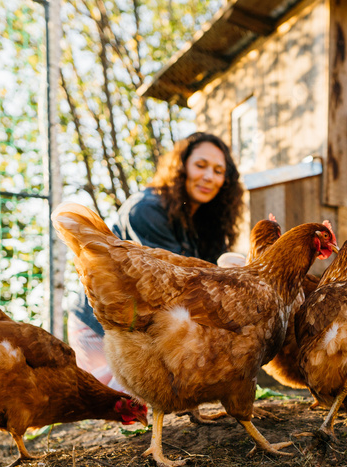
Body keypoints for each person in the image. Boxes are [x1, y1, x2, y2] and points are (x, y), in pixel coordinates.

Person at [67, 132, 245, 389]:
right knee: (118, 408)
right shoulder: (147, 210)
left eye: (218, 171)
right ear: (181, 167)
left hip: (147, 329)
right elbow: (171, 292)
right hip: (104, 327)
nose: (209, 176)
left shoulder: (209, 223)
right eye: (201, 165)